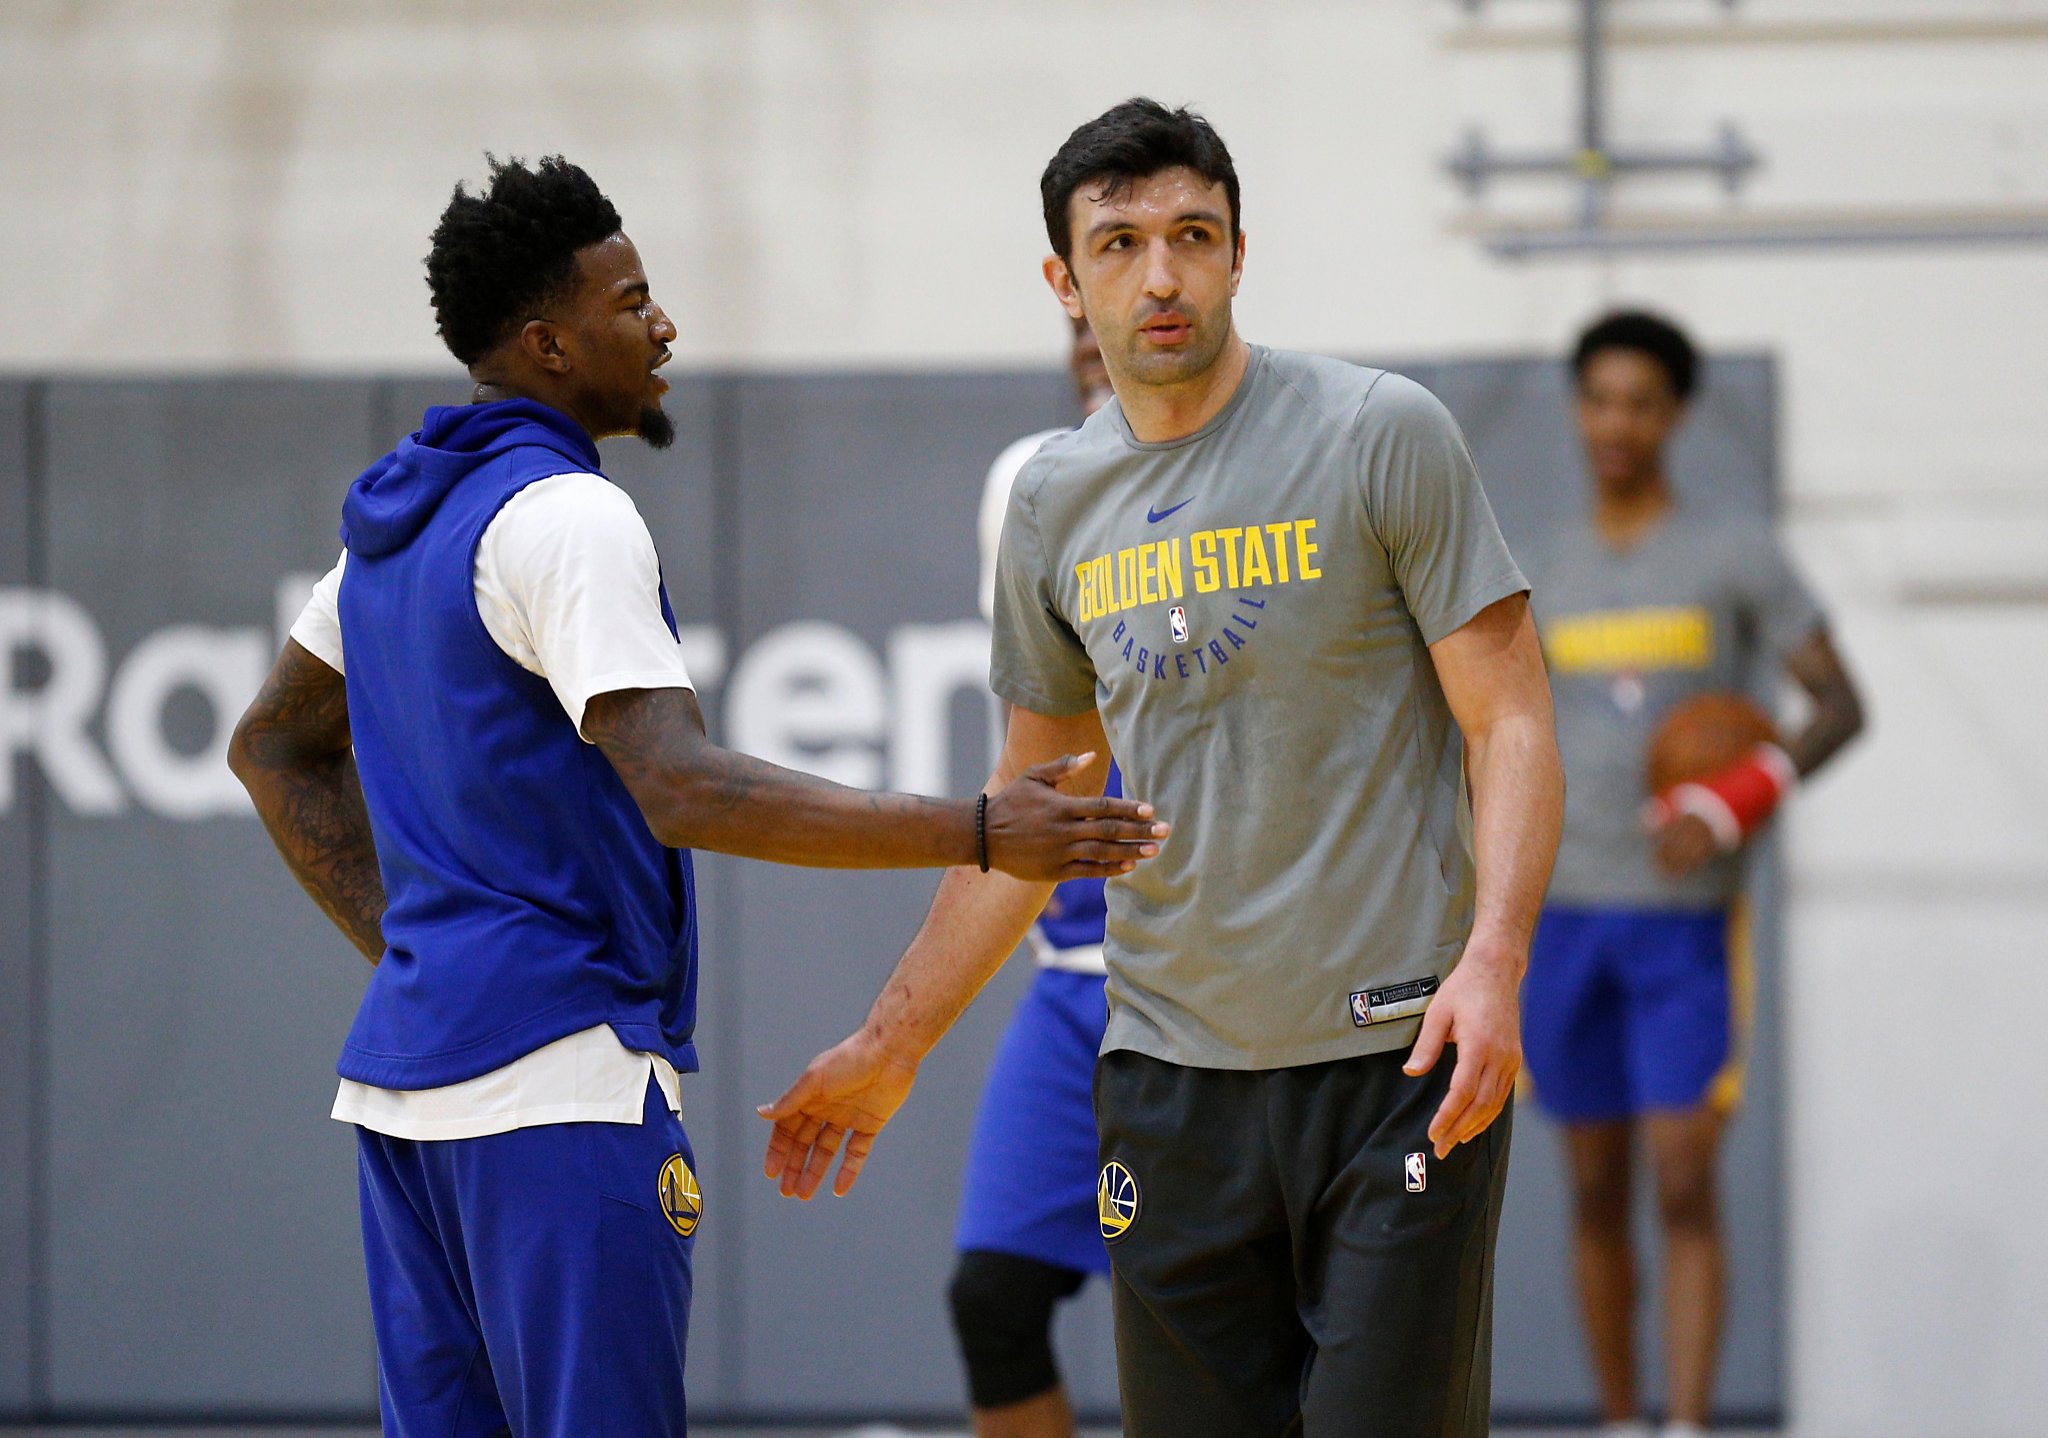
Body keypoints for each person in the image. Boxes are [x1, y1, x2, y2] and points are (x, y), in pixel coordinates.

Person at [225, 154, 1167, 1438]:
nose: (664, 325)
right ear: (550, 343)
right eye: (633, 302)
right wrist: (982, 827)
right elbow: (682, 786)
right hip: (556, 1086)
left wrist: (418, 950)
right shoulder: (566, 516)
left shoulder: (399, 520)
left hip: (406, 1095)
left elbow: (271, 747)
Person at [761, 99, 1565, 1438]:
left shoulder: (1382, 432)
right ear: (1065, 282)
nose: (1161, 274)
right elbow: (1036, 811)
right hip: (1169, 1076)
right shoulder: (1052, 502)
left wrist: (1495, 960)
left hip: (1393, 1054)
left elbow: (1514, 723)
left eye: (1192, 235)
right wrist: (890, 1041)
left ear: (1240, 252)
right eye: (1119, 243)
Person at [1517, 311, 1865, 1438]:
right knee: (1592, 1186)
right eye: (1598, 399)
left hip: (1680, 922)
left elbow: (1839, 705)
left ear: (1670, 414)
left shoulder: (1732, 553)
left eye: (1639, 402)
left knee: (1679, 1178)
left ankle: (1687, 1423)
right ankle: (1620, 1419)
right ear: (1578, 409)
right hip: (1561, 911)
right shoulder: (1537, 566)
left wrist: (1731, 800)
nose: (1615, 421)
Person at [947, 315, 1116, 1438]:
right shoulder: (1032, 486)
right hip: (1076, 967)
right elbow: (1039, 745)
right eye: (1079, 314)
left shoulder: (1278, 489)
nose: (1101, 330)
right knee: (992, 1296)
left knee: (1211, 1329)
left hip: (1223, 974)